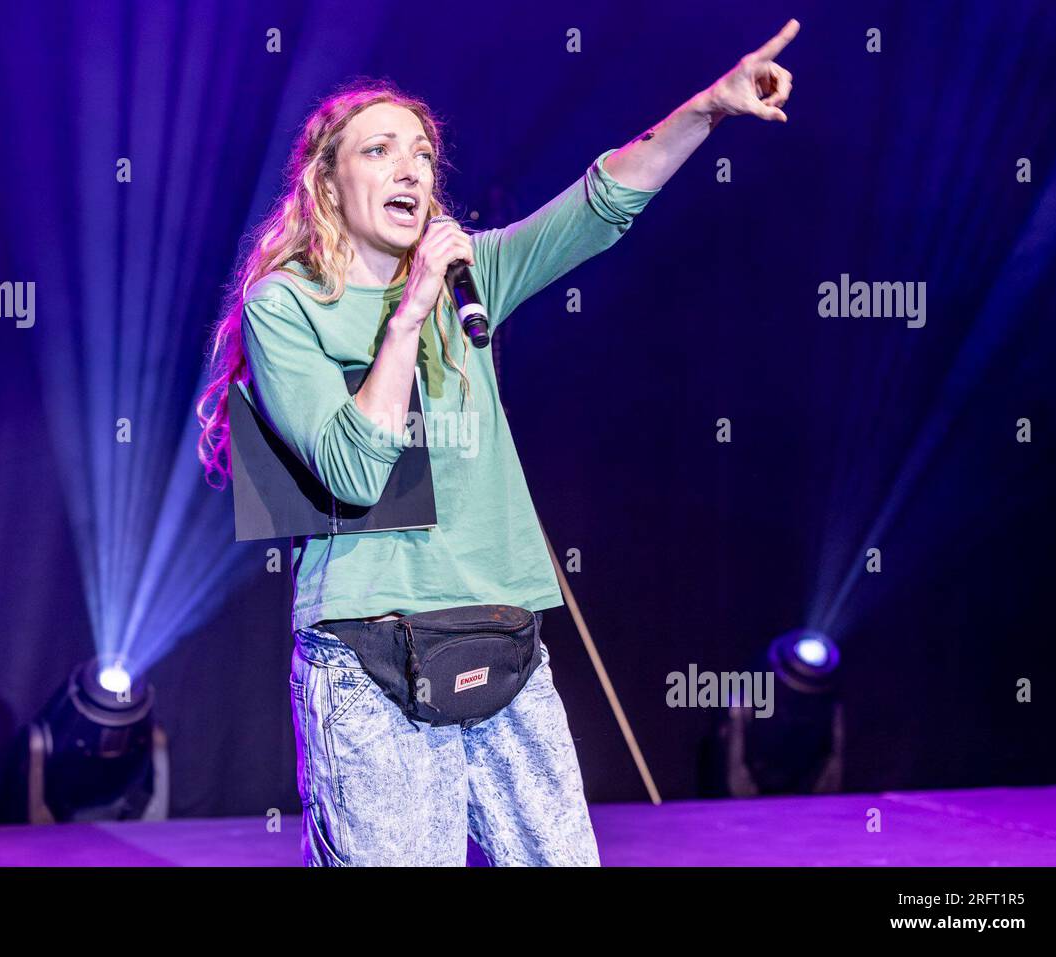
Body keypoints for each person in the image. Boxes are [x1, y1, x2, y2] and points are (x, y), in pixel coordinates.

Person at [197, 19, 799, 866]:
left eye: (421, 153)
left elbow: (596, 207)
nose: (410, 167)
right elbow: (351, 469)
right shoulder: (286, 304)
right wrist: (409, 315)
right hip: (370, 654)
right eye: (378, 151)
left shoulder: (473, 274)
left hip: (502, 632)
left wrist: (707, 110)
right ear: (328, 185)